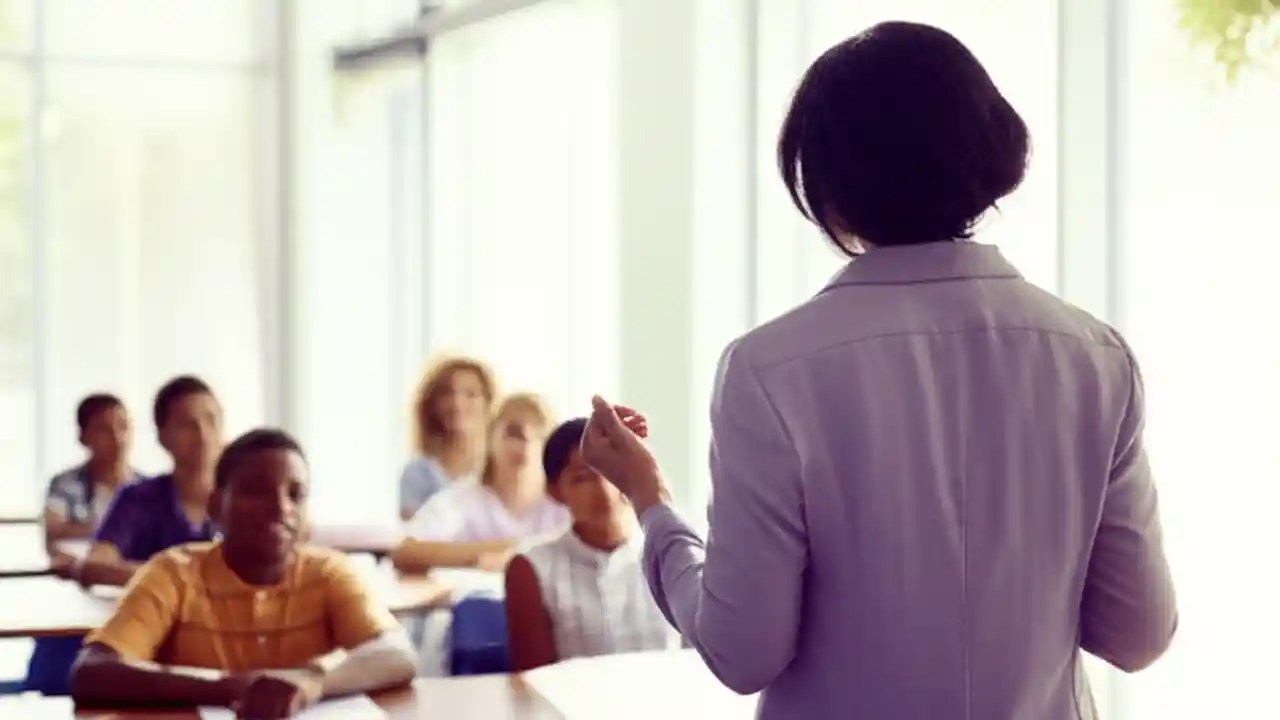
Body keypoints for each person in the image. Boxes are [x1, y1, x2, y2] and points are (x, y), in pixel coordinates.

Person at [579, 22, 1177, 720]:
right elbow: (1139, 634)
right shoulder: (1096, 358)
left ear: (827, 185)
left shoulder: (769, 371)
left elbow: (742, 653)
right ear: (990, 153)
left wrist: (651, 503)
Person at [69, 429, 417, 717]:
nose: (282, 507)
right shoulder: (173, 572)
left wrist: (313, 681)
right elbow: (92, 671)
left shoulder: (328, 572)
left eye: (295, 495)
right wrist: (223, 687)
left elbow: (397, 654)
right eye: (256, 490)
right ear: (216, 506)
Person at [505, 417, 678, 671]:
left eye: (612, 474)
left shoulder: (669, 554)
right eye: (583, 478)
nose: (604, 489)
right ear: (554, 491)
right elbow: (533, 684)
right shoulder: (532, 569)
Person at [392, 393, 567, 573]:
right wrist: (508, 549)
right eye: (514, 433)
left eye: (540, 434)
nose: (527, 444)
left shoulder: (565, 504)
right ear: (491, 438)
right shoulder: (462, 499)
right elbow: (405, 552)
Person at [76, 376, 223, 587]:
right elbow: (94, 567)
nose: (203, 435)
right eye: (186, 425)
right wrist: (183, 582)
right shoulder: (139, 498)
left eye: (212, 420)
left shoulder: (245, 501)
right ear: (163, 437)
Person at [398, 356, 497, 520]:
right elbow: (413, 541)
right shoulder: (418, 473)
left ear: (488, 404)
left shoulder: (502, 468)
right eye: (446, 393)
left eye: (470, 394)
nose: (457, 403)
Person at [42, 394, 142, 548]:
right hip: (80, 570)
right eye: (104, 430)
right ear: (83, 437)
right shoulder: (66, 484)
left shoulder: (146, 487)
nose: (117, 438)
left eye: (123, 426)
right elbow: (54, 532)